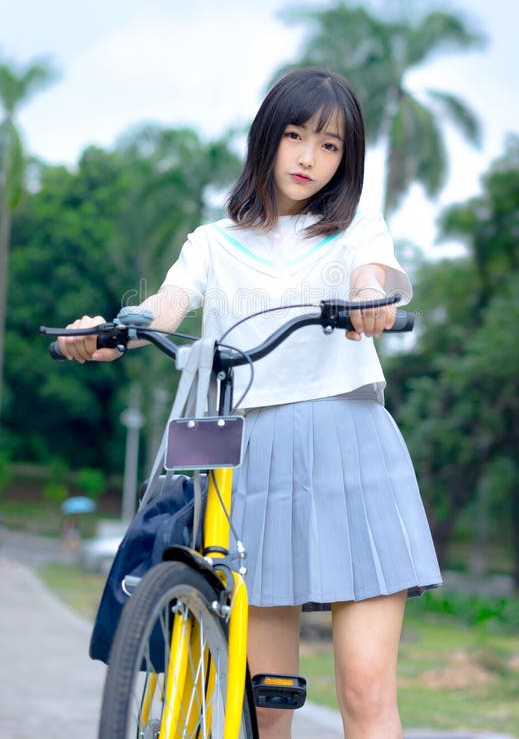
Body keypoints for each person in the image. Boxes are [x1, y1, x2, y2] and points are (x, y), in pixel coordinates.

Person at [59, 67, 442, 739]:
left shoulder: (355, 229)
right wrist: (112, 330)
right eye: (295, 135)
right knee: (267, 703)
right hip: (247, 461)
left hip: (349, 447)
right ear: (267, 137)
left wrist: (370, 300)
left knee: (365, 690)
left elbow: (370, 275)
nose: (308, 158)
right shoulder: (214, 242)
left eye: (330, 146)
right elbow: (166, 306)